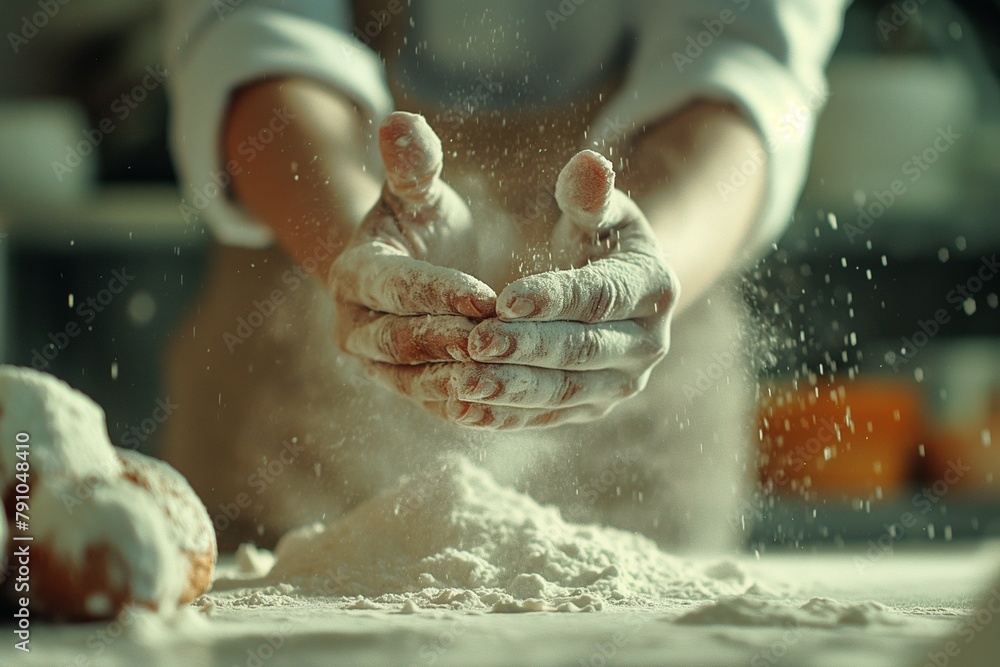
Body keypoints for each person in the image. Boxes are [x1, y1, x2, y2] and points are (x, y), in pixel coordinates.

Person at [161, 1, 848, 552]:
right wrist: (357, 250)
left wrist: (638, 276)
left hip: (649, 378)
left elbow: (748, 51)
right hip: (298, 370)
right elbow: (251, 26)